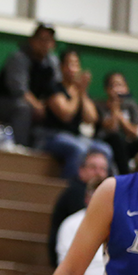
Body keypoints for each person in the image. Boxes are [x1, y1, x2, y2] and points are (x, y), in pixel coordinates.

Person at [36, 50, 113, 180]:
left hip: (75, 136)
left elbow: (91, 119)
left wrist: (82, 93)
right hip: (51, 136)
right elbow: (66, 114)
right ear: (61, 67)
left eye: (76, 64)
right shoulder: (54, 87)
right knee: (79, 149)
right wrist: (78, 92)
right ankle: (71, 190)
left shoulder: (80, 91)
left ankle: (101, 190)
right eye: (69, 64)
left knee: (105, 149)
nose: (73, 69)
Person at [0, 23, 61, 148]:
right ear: (32, 40)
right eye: (42, 39)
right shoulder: (19, 57)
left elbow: (57, 88)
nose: (45, 44)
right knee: (23, 108)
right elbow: (19, 90)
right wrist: (37, 105)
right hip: (4, 102)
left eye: (49, 40)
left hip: (35, 104)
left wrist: (46, 105)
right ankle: (20, 148)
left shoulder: (52, 62)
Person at [48, 151, 110, 268]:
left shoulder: (109, 196)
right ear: (81, 170)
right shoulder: (74, 193)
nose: (98, 173)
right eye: (93, 167)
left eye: (103, 169)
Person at [56, 177, 107, 275]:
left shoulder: (120, 225)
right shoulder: (72, 223)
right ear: (87, 198)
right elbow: (67, 267)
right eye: (96, 196)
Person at [97, 72, 138, 175]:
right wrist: (114, 108)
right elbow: (110, 128)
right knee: (117, 138)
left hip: (126, 145)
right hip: (108, 143)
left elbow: (134, 133)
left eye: (121, 85)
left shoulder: (130, 105)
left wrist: (120, 116)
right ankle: (125, 176)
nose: (118, 89)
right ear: (107, 89)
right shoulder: (101, 106)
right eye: (114, 85)